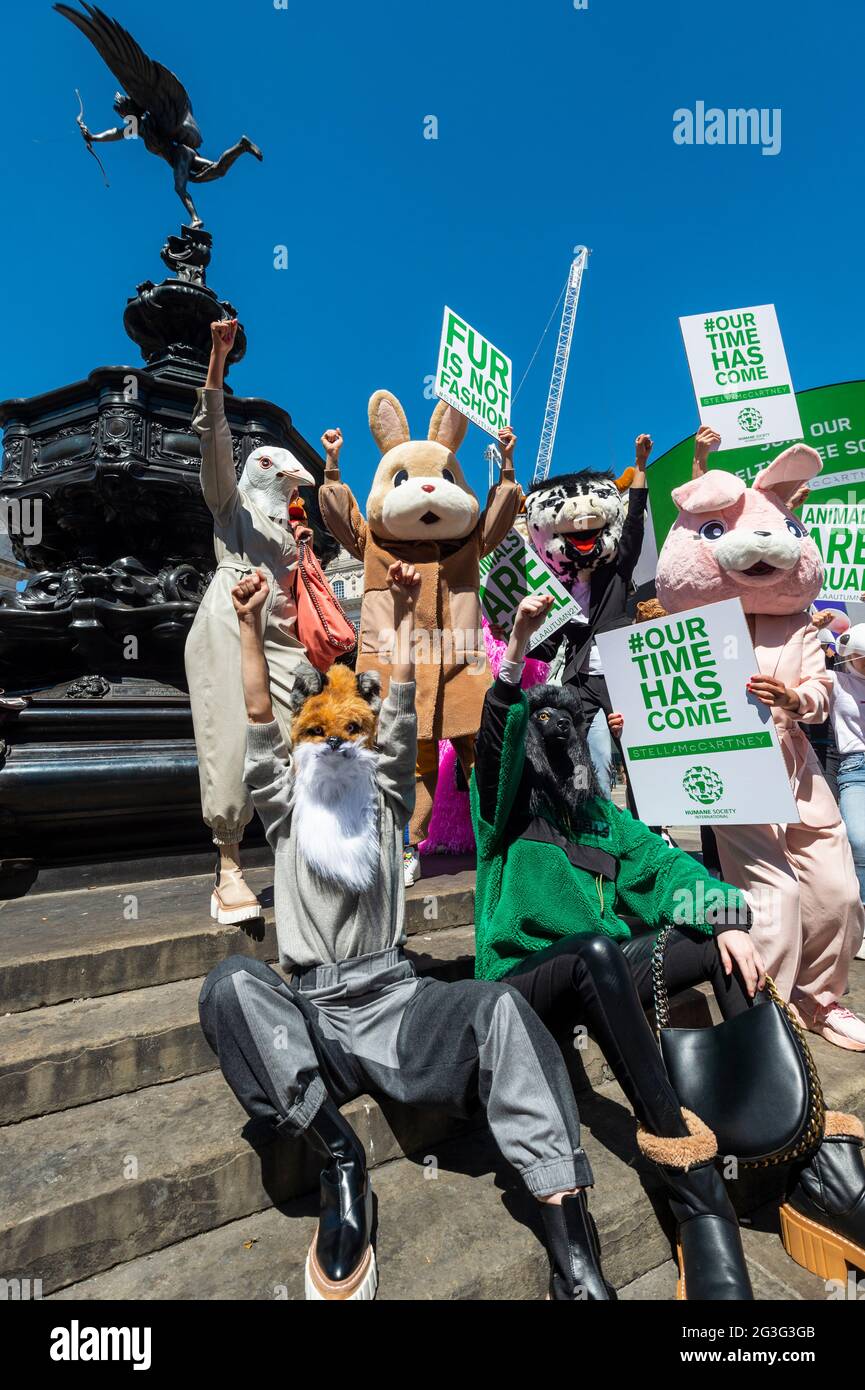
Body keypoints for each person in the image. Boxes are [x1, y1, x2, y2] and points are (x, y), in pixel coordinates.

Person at [198, 562, 614, 1302]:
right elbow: (258, 714)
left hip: (397, 1003)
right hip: (314, 1018)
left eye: (347, 733)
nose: (335, 744)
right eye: (319, 734)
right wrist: (250, 625)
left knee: (500, 1008)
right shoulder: (287, 807)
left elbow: (398, 695)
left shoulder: (385, 798)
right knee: (231, 983)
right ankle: (339, 1163)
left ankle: (570, 1240)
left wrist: (396, 602)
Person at [470, 590, 758, 1300]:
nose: (560, 736)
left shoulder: (601, 819)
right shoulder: (501, 814)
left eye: (572, 725)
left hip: (597, 975)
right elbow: (495, 745)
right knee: (595, 950)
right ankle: (692, 1184)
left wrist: (724, 914)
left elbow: (664, 869)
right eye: (548, 725)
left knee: (719, 941)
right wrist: (514, 659)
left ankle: (781, 1131)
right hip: (519, 984)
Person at [656, 427, 865, 1050]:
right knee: (771, 896)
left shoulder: (799, 623)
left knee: (837, 891)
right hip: (731, 779)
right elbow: (666, 692)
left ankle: (819, 996)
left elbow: (822, 689)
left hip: (798, 774)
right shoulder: (691, 624)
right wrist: (637, 725)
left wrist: (796, 700)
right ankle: (765, 1015)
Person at [184, 319, 314, 923]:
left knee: (304, 736)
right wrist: (216, 358)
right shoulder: (230, 506)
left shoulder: (292, 533)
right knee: (232, 736)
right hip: (232, 615)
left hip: (284, 629)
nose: (283, 479)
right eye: (273, 469)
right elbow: (214, 436)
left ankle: (298, 854)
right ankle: (229, 867)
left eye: (288, 473)